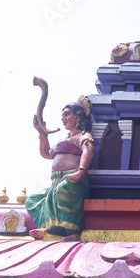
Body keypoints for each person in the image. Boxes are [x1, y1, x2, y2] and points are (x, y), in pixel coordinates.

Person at [27, 98, 93, 241]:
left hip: (74, 179)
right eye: (62, 115)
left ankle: (72, 231)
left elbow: (88, 151)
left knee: (64, 189)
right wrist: (42, 133)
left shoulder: (83, 136)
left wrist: (80, 172)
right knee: (32, 200)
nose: (63, 118)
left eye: (67, 114)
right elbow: (46, 153)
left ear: (77, 117)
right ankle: (50, 229)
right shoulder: (64, 139)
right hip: (56, 181)